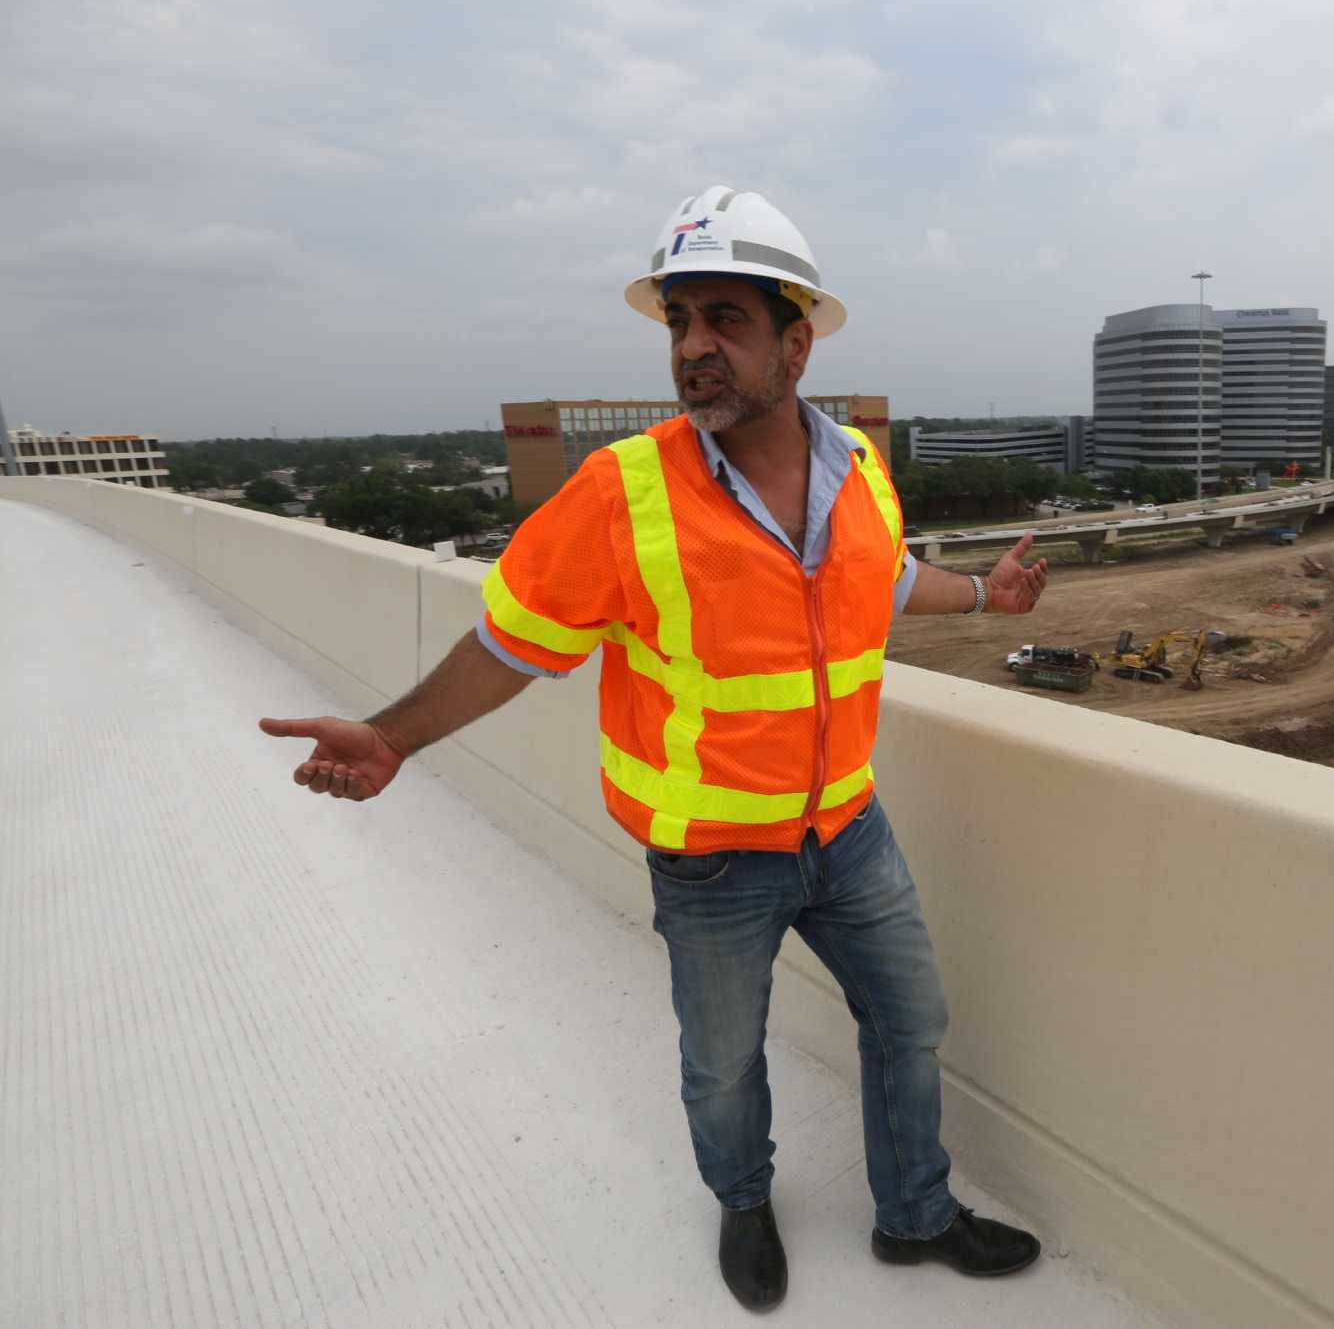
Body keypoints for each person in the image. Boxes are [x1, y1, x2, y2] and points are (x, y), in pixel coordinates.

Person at [260, 184, 1051, 1313]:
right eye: (679, 323)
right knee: (723, 1064)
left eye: (723, 320)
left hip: (847, 827)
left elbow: (882, 581)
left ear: (796, 342)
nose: (692, 350)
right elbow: (510, 645)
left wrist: (985, 594)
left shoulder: (859, 469)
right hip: (713, 853)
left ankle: (913, 1217)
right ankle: (741, 1203)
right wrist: (390, 738)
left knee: (910, 1021)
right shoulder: (620, 492)